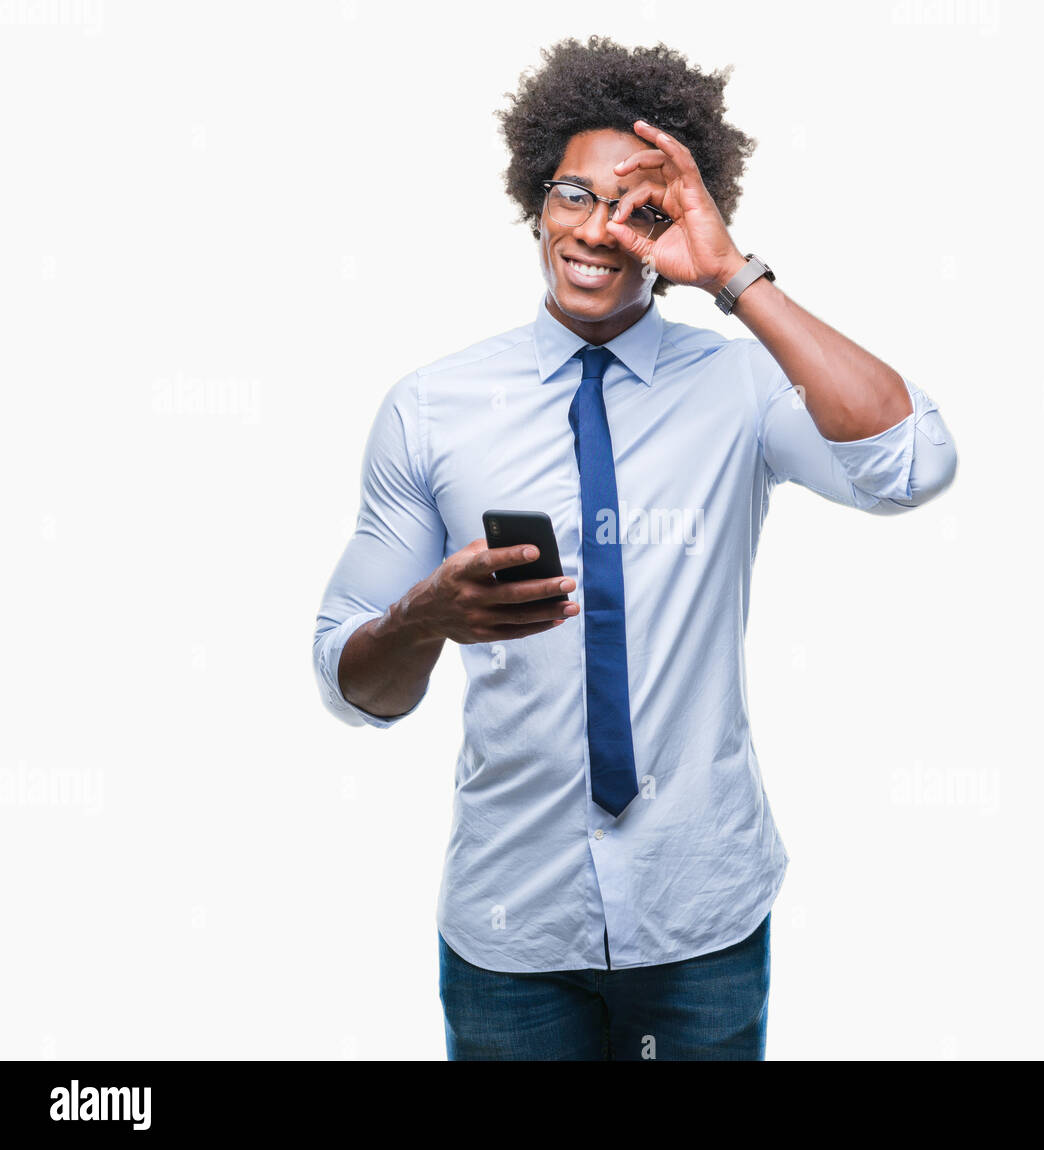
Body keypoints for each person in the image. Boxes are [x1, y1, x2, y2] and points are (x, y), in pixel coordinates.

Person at [312, 35, 958, 1061]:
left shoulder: (743, 388)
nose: (599, 231)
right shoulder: (433, 408)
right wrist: (424, 616)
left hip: (698, 915)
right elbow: (356, 692)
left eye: (641, 210)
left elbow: (910, 462)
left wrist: (734, 275)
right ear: (536, 201)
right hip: (510, 924)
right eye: (575, 194)